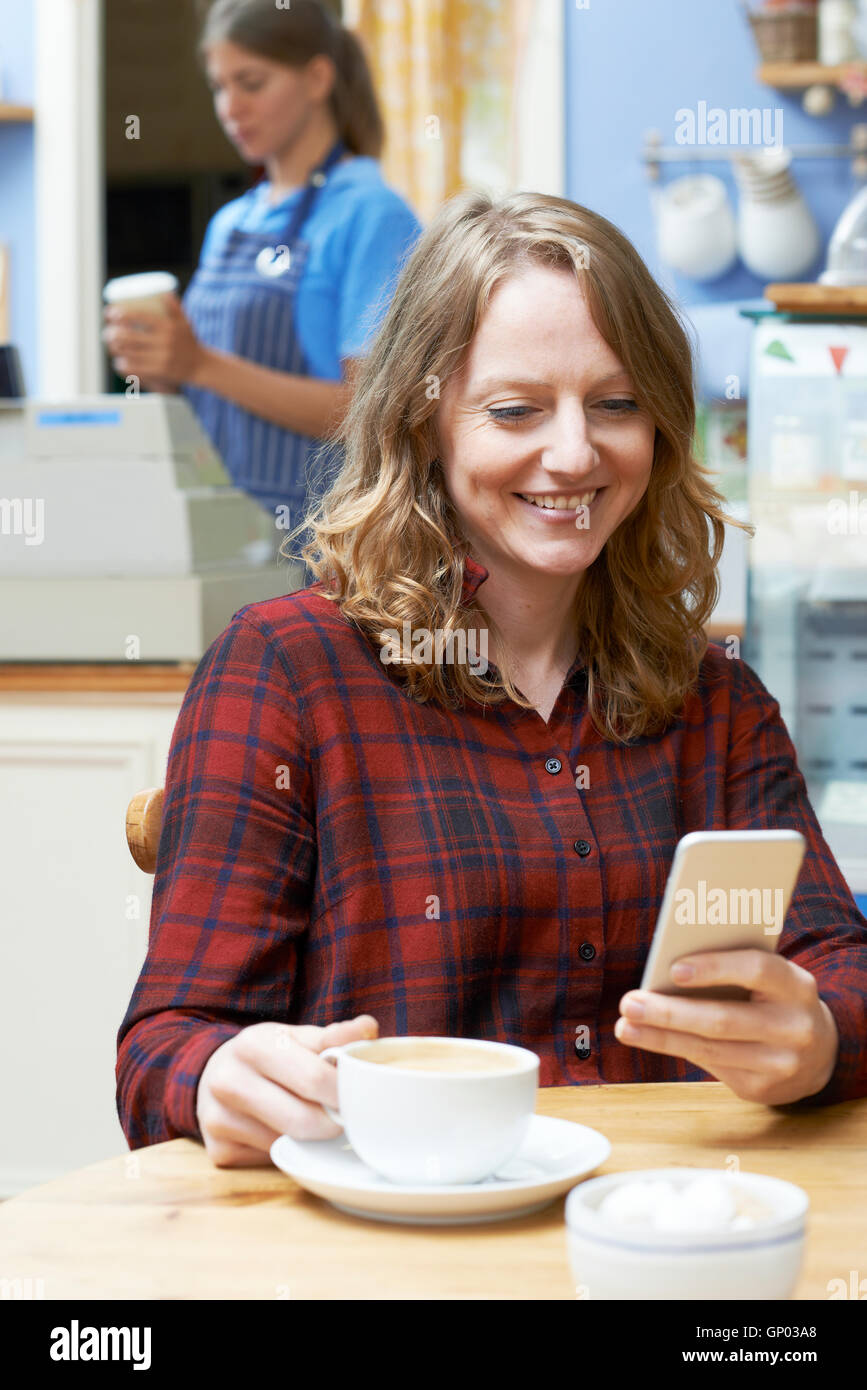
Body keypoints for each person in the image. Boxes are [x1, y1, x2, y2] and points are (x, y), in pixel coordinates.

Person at [116, 188, 867, 1166]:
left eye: (616, 404)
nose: (573, 452)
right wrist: (222, 1073)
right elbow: (163, 1048)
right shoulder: (288, 670)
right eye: (515, 409)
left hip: (655, 1237)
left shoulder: (716, 701)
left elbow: (842, 969)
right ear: (426, 419)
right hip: (392, 1247)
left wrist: (818, 1040)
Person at [103, 0, 421, 561]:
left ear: (318, 77)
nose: (231, 108)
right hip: (219, 537)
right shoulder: (232, 222)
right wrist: (163, 367)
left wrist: (199, 364)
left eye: (250, 82)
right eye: (219, 87)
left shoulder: (372, 216)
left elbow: (372, 412)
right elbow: (214, 392)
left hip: (324, 548)